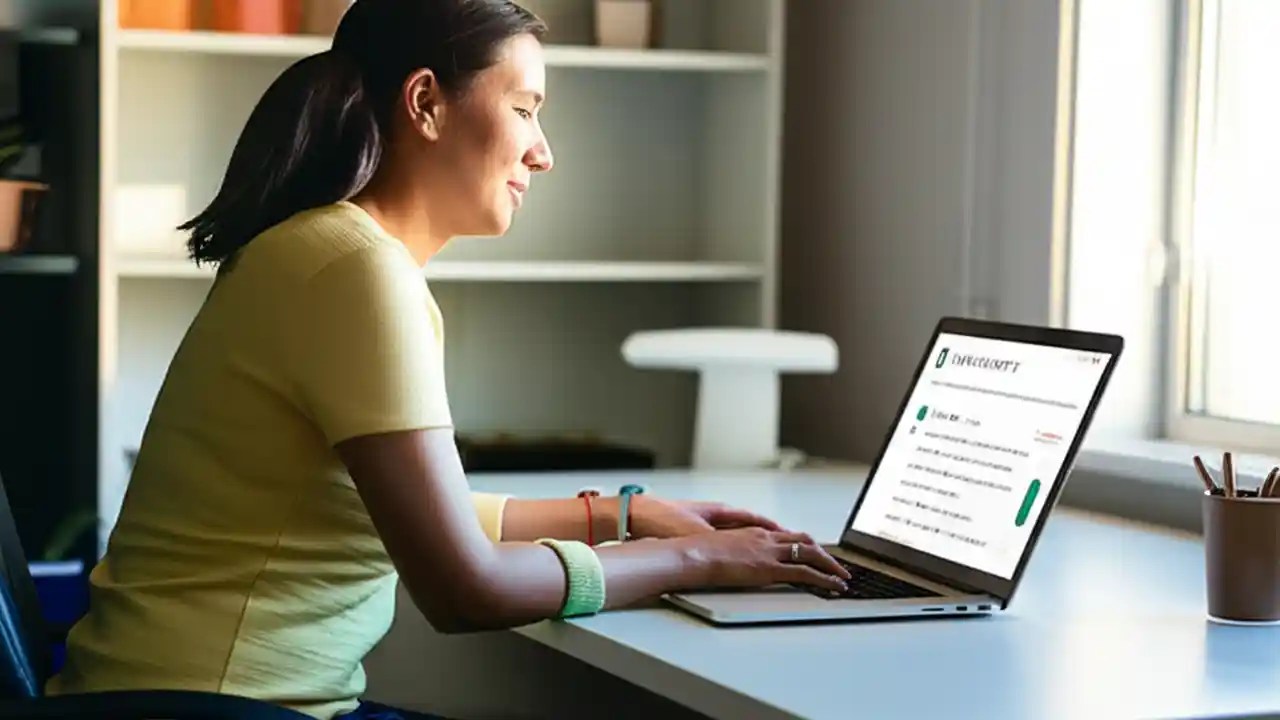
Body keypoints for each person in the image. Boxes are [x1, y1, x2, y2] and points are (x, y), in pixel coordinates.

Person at [46, 1, 851, 718]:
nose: (543, 153)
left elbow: (425, 511)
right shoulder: (352, 269)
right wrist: (699, 559)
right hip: (210, 708)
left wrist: (626, 514)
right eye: (526, 109)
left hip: (183, 692)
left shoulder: (329, 251)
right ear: (426, 102)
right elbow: (465, 586)